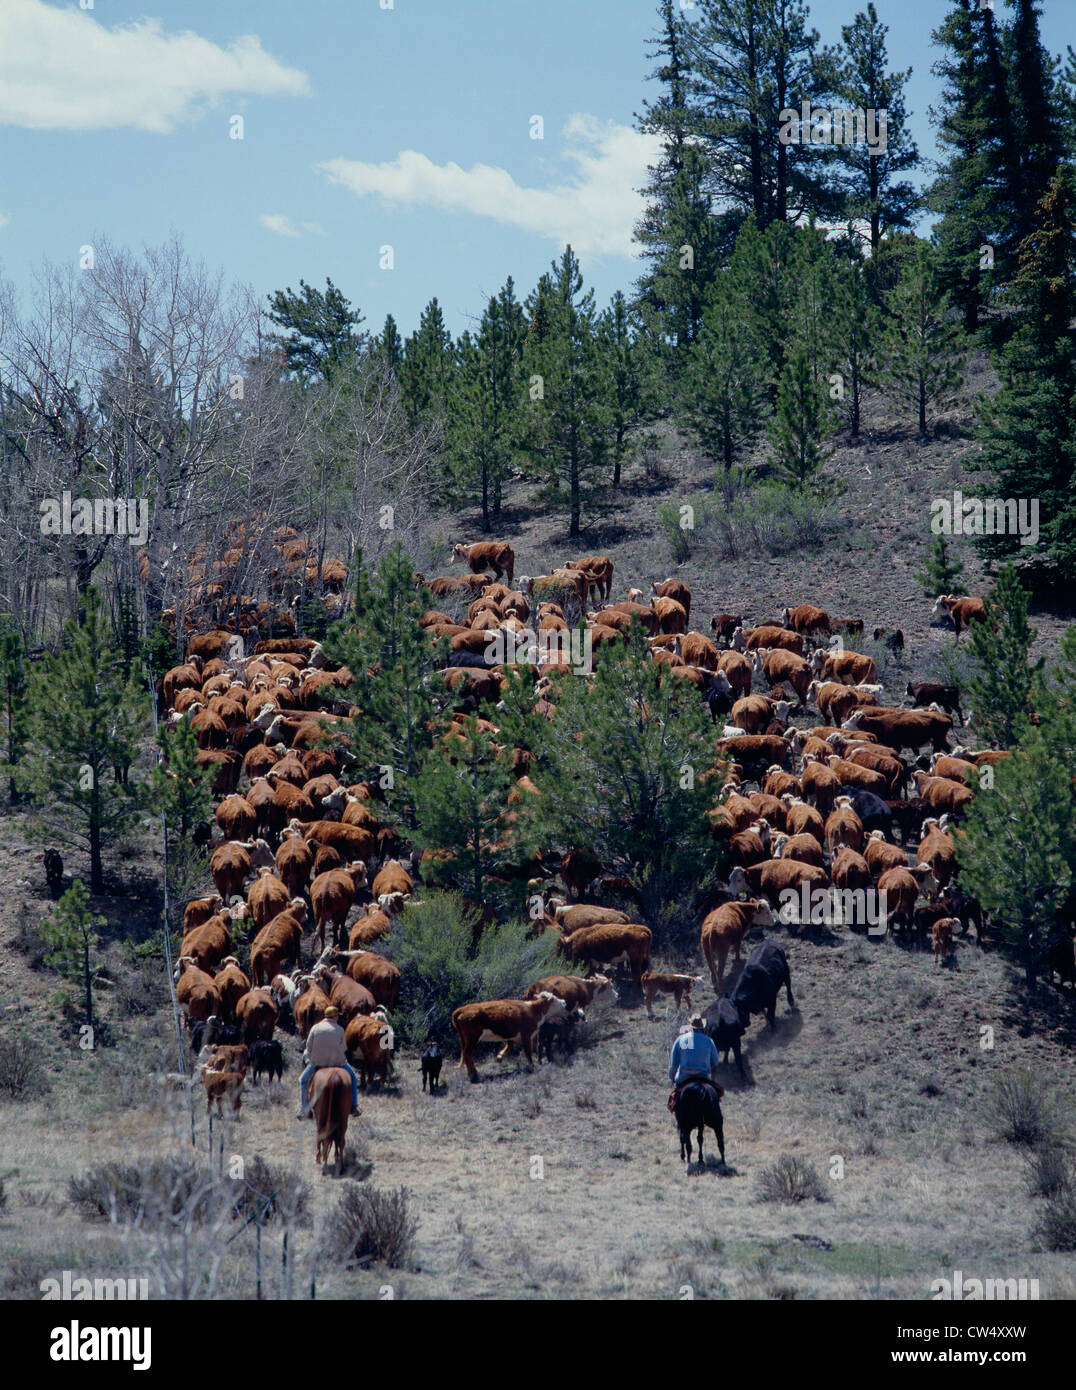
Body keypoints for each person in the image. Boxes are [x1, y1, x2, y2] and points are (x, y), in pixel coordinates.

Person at [297, 1006, 360, 1119]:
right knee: (353, 1076)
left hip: (317, 1062)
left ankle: (304, 1108)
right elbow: (344, 1048)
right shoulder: (340, 1029)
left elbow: (308, 1047)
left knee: (303, 1080)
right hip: (338, 1063)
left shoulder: (315, 1028)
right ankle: (354, 1106)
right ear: (335, 1016)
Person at [668, 1014, 720, 1089]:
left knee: (675, 1095)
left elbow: (673, 1064)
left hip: (683, 1077)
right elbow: (715, 1062)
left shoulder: (680, 1039)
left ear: (691, 1026)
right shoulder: (709, 1041)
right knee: (717, 1093)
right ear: (702, 1026)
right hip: (703, 1077)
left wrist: (671, 1077)